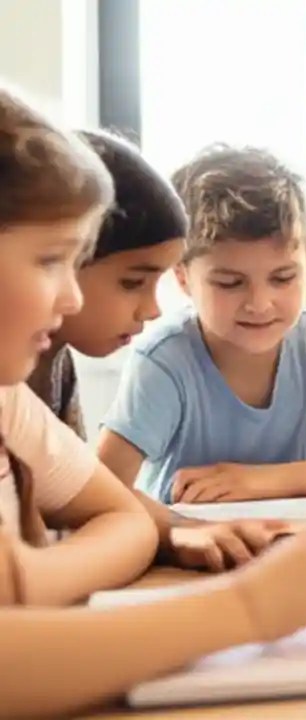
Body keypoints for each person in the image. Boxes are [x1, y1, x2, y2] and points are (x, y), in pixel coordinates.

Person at [0, 84, 306, 718]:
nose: (71, 300)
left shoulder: (10, 402)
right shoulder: (155, 361)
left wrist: (28, 581)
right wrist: (250, 608)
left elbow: (124, 516)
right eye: (51, 261)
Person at [98, 145, 306, 503]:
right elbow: (99, 493)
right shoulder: (164, 361)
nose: (259, 304)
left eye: (283, 278)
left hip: (293, 539)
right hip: (190, 544)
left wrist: (263, 481)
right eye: (230, 283)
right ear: (183, 277)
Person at [26, 129, 289, 571]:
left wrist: (179, 530)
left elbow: (80, 493)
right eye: (132, 283)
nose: (152, 310)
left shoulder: (53, 365)